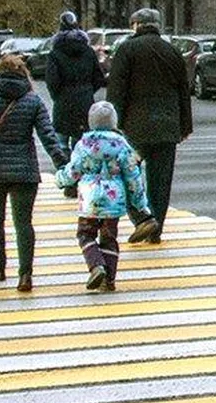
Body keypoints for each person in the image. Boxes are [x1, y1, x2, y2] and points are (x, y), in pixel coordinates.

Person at [0, 53, 67, 292]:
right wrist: (64, 166)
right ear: (24, 75)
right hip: (26, 171)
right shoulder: (33, 102)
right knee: (24, 224)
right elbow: (48, 138)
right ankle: (25, 276)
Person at [107, 7, 187, 244]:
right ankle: (157, 229)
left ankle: (142, 219)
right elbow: (183, 91)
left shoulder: (127, 49)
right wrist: (184, 126)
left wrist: (113, 125)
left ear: (137, 25)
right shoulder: (172, 51)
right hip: (168, 127)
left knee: (126, 174)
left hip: (136, 128)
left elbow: (117, 90)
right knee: (161, 182)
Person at [55, 100, 151, 294]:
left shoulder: (83, 144)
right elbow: (133, 176)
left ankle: (96, 265)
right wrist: (141, 204)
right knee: (109, 238)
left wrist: (60, 180)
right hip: (113, 199)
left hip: (89, 198)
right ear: (114, 122)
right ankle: (109, 280)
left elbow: (73, 171)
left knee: (85, 233)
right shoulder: (122, 144)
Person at [45, 10, 106, 151]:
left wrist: (58, 95)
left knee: (61, 142)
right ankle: (79, 168)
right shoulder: (88, 51)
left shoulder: (55, 53)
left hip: (63, 101)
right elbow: (98, 77)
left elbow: (52, 80)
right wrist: (87, 90)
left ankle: (64, 168)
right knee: (82, 142)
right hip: (85, 101)